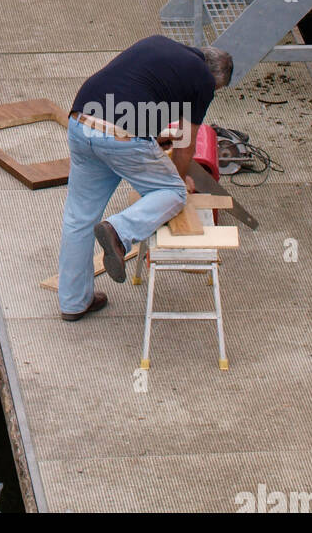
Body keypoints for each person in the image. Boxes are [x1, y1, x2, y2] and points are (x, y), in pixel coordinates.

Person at [57, 35, 233, 321]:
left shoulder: (159, 45)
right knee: (173, 194)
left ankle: (74, 302)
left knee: (79, 217)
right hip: (121, 136)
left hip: (80, 121)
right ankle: (118, 231)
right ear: (215, 77)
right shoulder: (203, 79)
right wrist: (175, 179)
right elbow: (188, 142)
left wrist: (152, 140)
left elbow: (131, 93)